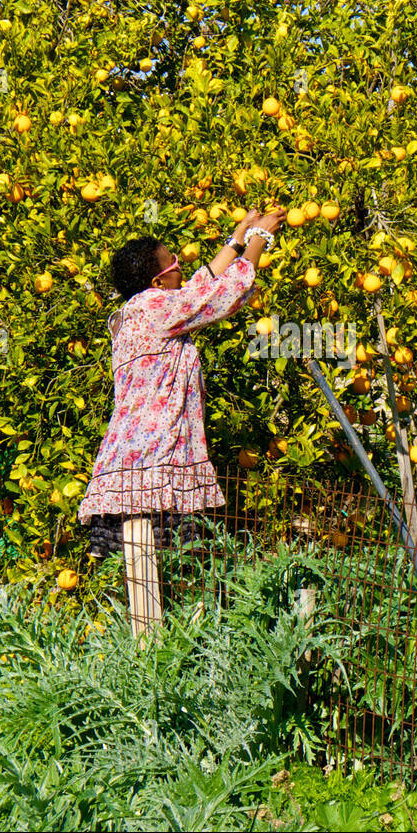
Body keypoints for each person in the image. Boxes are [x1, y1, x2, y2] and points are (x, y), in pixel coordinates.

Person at [77, 203, 286, 637]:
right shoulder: (157, 310)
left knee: (149, 584)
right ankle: (159, 675)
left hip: (126, 468)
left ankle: (157, 670)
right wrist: (259, 240)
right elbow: (221, 296)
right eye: (174, 263)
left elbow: (197, 287)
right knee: (163, 588)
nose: (181, 266)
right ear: (157, 281)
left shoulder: (136, 312)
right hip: (154, 467)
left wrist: (235, 237)